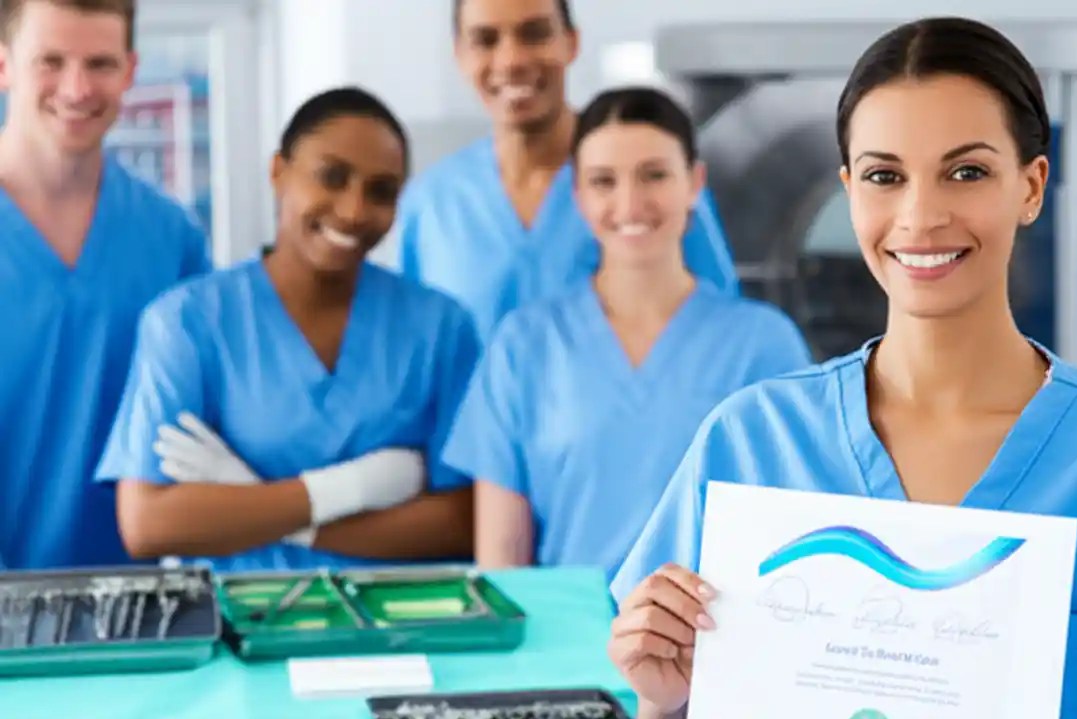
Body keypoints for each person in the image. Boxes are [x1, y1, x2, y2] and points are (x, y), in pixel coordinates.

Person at [606, 17, 1077, 719]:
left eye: (966, 172)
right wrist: (663, 703)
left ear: (1030, 185)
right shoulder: (749, 441)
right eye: (883, 176)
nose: (920, 216)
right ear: (849, 189)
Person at [95, 87, 479, 572]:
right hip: (234, 631)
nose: (354, 209)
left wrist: (253, 502)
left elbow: (463, 522)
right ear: (279, 171)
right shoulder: (188, 323)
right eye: (331, 177)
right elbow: (150, 524)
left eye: (381, 191)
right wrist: (348, 489)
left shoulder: (440, 329)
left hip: (393, 630)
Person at [443, 87, 812, 585]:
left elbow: (789, 533)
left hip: (707, 643)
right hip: (567, 646)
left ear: (694, 182)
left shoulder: (764, 345)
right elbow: (502, 562)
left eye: (654, 175)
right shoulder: (525, 345)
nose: (629, 203)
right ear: (578, 194)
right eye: (603, 181)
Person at [0, 0, 210, 569]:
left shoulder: (172, 239)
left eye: (99, 64)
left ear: (130, 70)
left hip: (130, 612)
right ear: (4, 64)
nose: (76, 89)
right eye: (51, 61)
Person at [393, 0, 738, 340]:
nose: (512, 60)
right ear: (460, 54)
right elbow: (417, 360)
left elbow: (723, 334)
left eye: (535, 34)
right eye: (485, 40)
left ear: (571, 42)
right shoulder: (431, 204)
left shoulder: (654, 181)